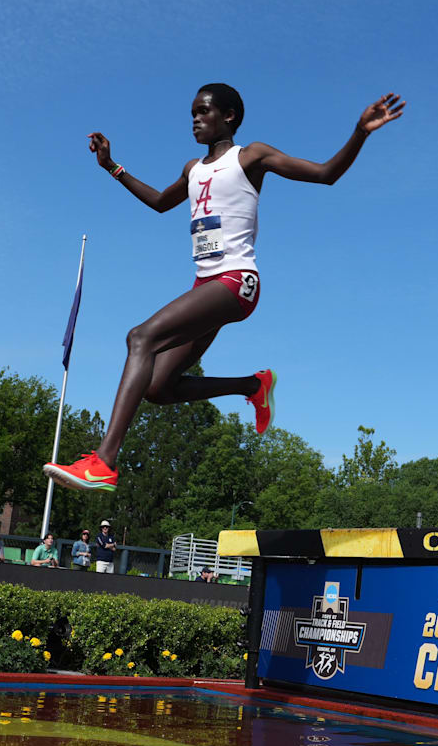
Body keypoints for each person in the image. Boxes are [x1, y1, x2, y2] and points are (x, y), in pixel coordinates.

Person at [44, 84, 405, 493]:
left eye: (203, 111)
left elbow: (326, 174)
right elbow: (162, 202)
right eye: (192, 113)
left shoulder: (251, 156)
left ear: (229, 115)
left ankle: (104, 461)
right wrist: (112, 167)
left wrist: (360, 131)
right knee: (159, 389)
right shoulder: (192, 169)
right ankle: (252, 386)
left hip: (237, 282)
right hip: (206, 285)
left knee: (139, 338)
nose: (195, 119)